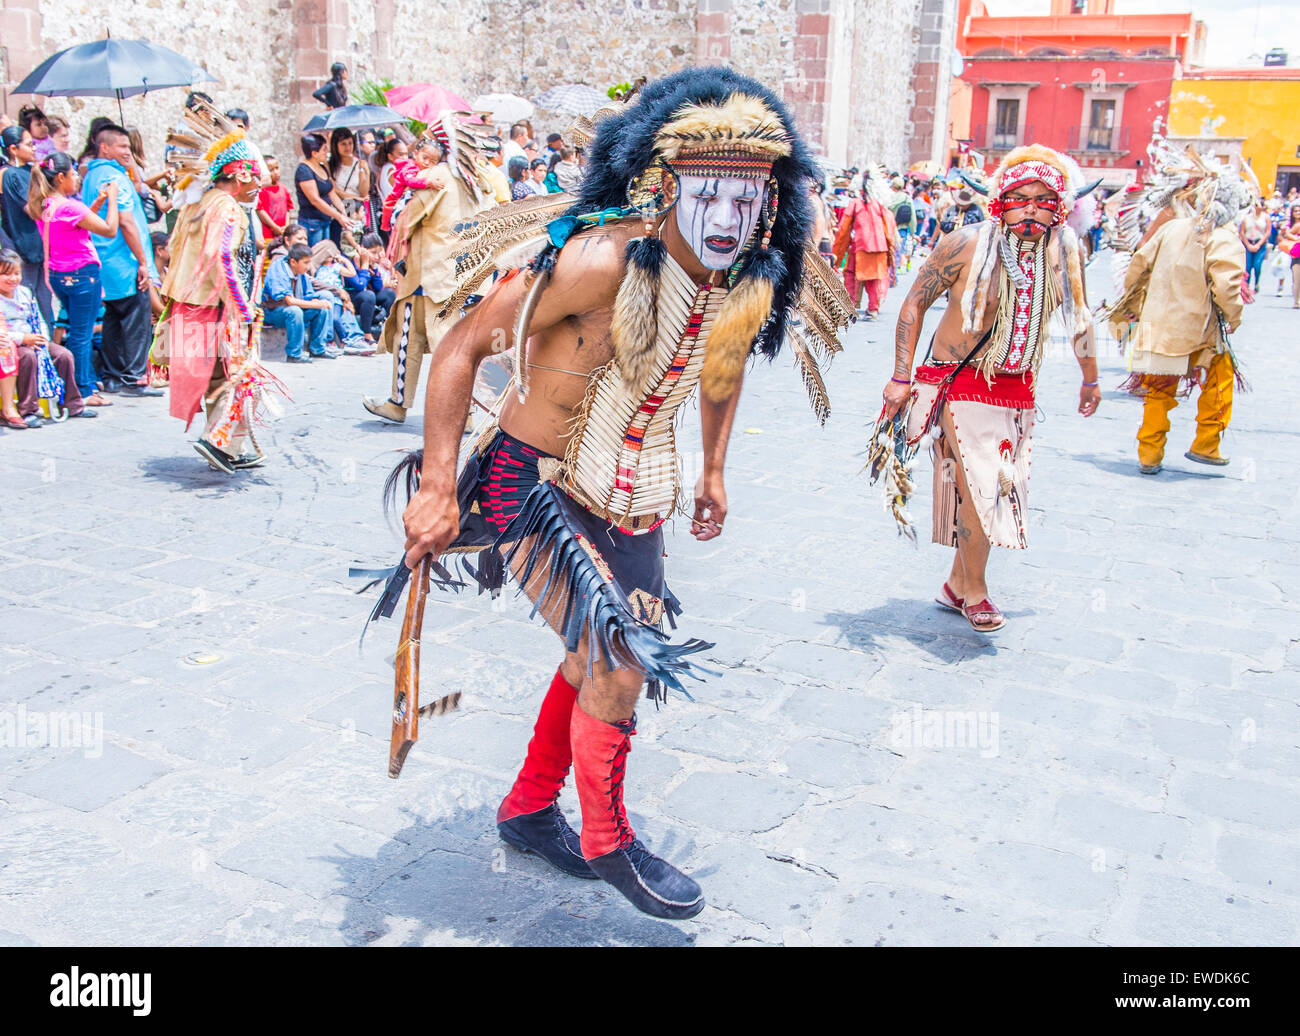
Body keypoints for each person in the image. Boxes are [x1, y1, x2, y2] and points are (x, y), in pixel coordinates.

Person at [381, 69, 848, 920]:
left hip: (639, 490)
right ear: (668, 186)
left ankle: (527, 810)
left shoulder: (748, 279)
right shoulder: (599, 259)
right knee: (621, 662)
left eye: (751, 199)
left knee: (603, 651)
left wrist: (711, 470)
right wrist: (440, 484)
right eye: (713, 193)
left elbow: (720, 368)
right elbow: (461, 345)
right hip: (535, 482)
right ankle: (607, 839)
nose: (730, 218)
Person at [879, 144, 1101, 633]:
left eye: (1044, 200)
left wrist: (1091, 375)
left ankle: (957, 584)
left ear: (1061, 207)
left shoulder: (1064, 250)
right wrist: (900, 376)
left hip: (1017, 390)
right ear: (999, 200)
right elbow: (913, 305)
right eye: (1020, 198)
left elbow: (1077, 316)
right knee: (984, 488)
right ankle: (976, 594)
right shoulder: (963, 244)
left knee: (986, 491)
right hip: (957, 384)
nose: (1031, 209)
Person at [159, 100, 282, 471]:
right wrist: (242, 308)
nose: (261, 183)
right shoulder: (226, 208)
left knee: (222, 375)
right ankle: (219, 441)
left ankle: (235, 446)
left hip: (191, 304)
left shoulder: (198, 205)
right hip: (216, 307)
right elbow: (222, 259)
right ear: (240, 175)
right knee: (236, 372)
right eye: (256, 176)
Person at [1110, 168, 1250, 472]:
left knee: (1158, 391)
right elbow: (1227, 286)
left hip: (1159, 328)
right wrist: (1233, 318)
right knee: (1219, 381)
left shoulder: (1171, 229)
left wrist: (1132, 304)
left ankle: (1149, 454)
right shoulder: (1224, 237)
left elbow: (1138, 265)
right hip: (1199, 331)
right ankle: (1206, 444)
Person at [363, 114, 495, 422]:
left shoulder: (435, 178)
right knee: (411, 340)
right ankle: (398, 404)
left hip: (430, 276)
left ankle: (465, 413)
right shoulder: (477, 181)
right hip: (455, 276)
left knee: (442, 348)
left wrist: (397, 207)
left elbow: (407, 222)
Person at [26, 151, 120, 407]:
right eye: (73, 173)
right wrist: (112, 199)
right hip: (81, 276)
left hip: (59, 276)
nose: (77, 178)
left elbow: (77, 224)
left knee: (78, 331)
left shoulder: (45, 205)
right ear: (60, 177)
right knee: (82, 334)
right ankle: (82, 390)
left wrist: (98, 203)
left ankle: (82, 383)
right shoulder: (69, 206)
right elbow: (109, 229)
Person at [82, 124, 160, 396]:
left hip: (102, 259)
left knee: (114, 320)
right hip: (123, 259)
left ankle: (114, 376)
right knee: (135, 319)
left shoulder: (91, 175)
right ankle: (134, 377)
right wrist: (142, 261)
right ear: (105, 147)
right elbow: (126, 222)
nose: (128, 152)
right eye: (123, 147)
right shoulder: (114, 177)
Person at [0, 247, 91, 421]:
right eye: (6, 274)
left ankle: (73, 404)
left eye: (16, 274)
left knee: (63, 355)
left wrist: (42, 338)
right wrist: (23, 339)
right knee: (27, 357)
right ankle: (28, 409)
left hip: (33, 338)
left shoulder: (25, 293)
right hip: (11, 344)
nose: (13, 279)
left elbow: (38, 318)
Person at [1, 126, 55, 329]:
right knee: (26, 301)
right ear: (14, 149)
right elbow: (33, 209)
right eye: (29, 144)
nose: (34, 148)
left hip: (42, 246)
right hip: (25, 246)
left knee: (45, 301)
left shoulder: (31, 172)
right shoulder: (11, 175)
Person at [832, 168, 897, 319]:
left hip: (861, 246)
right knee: (873, 279)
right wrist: (889, 249)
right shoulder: (878, 205)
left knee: (851, 274)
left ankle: (851, 306)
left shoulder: (855, 203)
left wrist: (837, 254)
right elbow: (888, 228)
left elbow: (843, 230)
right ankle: (873, 308)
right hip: (879, 247)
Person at [262, 242, 335, 361]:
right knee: (295, 311)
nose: (308, 266)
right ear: (293, 262)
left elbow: (309, 296)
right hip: (273, 312)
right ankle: (294, 354)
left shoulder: (302, 274)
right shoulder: (278, 268)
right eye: (305, 263)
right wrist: (317, 303)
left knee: (321, 309)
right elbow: (289, 301)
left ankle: (318, 349)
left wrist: (318, 303)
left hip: (293, 308)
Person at [294, 133, 350, 247]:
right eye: (324, 150)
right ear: (314, 153)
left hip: (325, 220)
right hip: (312, 222)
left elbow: (331, 192)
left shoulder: (322, 167)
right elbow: (315, 199)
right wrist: (338, 216)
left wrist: (343, 212)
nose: (327, 152)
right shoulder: (304, 171)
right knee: (316, 254)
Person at [343, 232, 395, 341]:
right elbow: (360, 286)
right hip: (353, 297)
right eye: (373, 252)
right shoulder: (348, 260)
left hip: (367, 297)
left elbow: (378, 286)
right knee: (369, 295)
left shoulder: (373, 263)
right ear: (362, 249)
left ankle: (387, 330)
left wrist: (375, 268)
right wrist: (365, 265)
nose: (377, 256)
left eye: (379, 252)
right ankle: (367, 334)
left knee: (389, 293)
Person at [328, 128, 370, 240]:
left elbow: (364, 192)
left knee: (355, 241)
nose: (347, 147)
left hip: (355, 207)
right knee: (341, 240)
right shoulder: (330, 165)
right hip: (339, 207)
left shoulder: (359, 163)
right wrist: (357, 198)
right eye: (343, 144)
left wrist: (366, 172)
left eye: (350, 143)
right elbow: (335, 190)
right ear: (335, 145)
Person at [255, 155, 292, 238]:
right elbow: (260, 211)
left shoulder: (283, 188)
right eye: (271, 170)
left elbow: (287, 209)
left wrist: (286, 226)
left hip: (283, 232)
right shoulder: (261, 190)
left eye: (277, 168)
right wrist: (274, 227)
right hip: (267, 234)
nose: (276, 172)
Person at [1239, 198, 1269, 294]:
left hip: (1260, 243)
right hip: (1248, 242)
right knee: (1247, 267)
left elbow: (1267, 232)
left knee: (1257, 265)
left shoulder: (1265, 217)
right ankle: (1246, 286)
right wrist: (1247, 245)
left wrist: (1259, 244)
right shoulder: (1246, 218)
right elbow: (1242, 232)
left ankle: (1256, 283)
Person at [1278, 205, 1300, 303]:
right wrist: (1296, 239)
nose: (1298, 213)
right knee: (1297, 279)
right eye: (1296, 211)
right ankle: (1296, 302)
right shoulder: (1296, 225)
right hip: (1296, 253)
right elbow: (1287, 234)